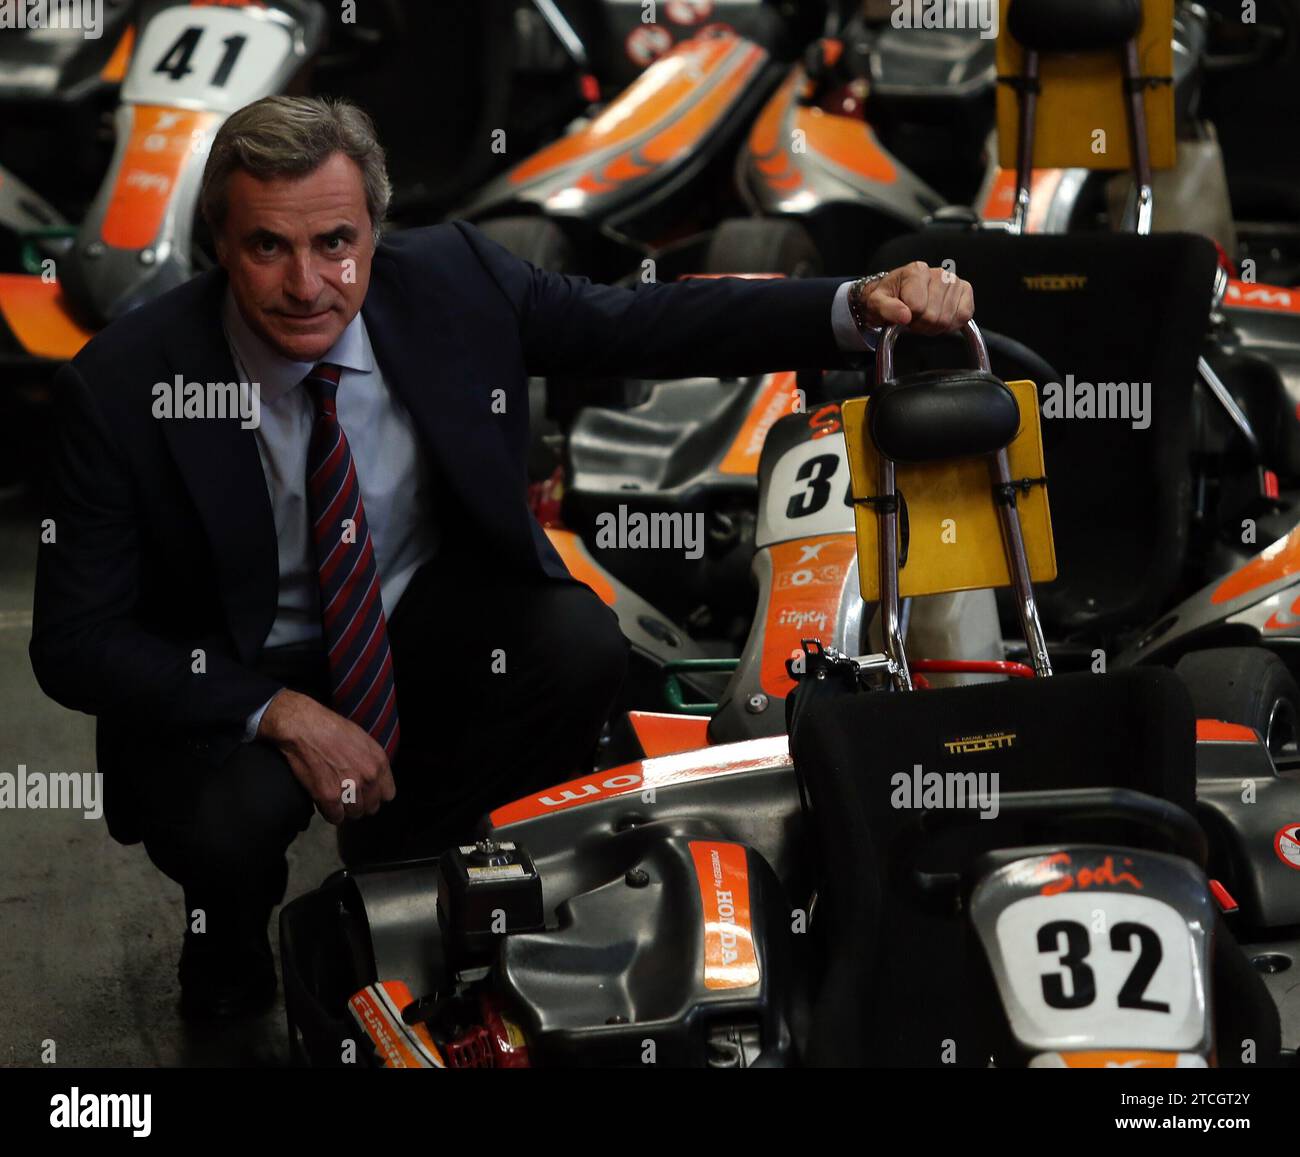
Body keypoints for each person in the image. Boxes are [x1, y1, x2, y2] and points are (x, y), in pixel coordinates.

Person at [29, 95, 974, 1021]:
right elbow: (74, 641)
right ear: (220, 245)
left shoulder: (454, 282)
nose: (308, 284)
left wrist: (860, 306)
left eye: (336, 244)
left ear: (375, 230)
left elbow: (646, 324)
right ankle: (226, 947)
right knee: (225, 827)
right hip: (234, 670)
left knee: (573, 643)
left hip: (416, 626)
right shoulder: (124, 386)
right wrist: (277, 712)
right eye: (267, 247)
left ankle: (429, 888)